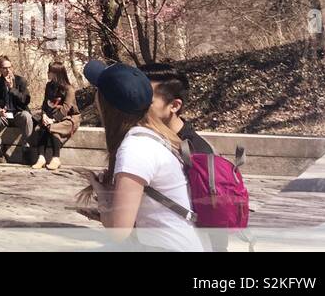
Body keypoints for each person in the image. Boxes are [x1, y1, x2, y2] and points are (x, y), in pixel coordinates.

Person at [84, 59, 205, 251]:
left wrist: (103, 196)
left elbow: (118, 230)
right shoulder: (153, 137)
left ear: (104, 103)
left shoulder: (135, 148)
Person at [142, 62, 226, 251]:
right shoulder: (154, 140)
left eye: (146, 99)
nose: (137, 104)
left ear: (174, 105)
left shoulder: (197, 152)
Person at [31, 58, 80, 171]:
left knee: (52, 128)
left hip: (69, 117)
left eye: (50, 71)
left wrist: (53, 120)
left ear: (57, 74)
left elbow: (65, 108)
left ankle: (56, 158)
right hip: (51, 116)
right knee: (41, 128)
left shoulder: (69, 89)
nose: (48, 73)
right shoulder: (49, 86)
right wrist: (44, 115)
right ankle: (41, 157)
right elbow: (45, 104)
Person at [0, 55, 33, 162]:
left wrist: (12, 89)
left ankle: (26, 148)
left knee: (27, 116)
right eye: (5, 68)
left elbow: (26, 100)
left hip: (17, 115)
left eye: (10, 67)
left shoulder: (21, 81)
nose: (8, 70)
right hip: (4, 116)